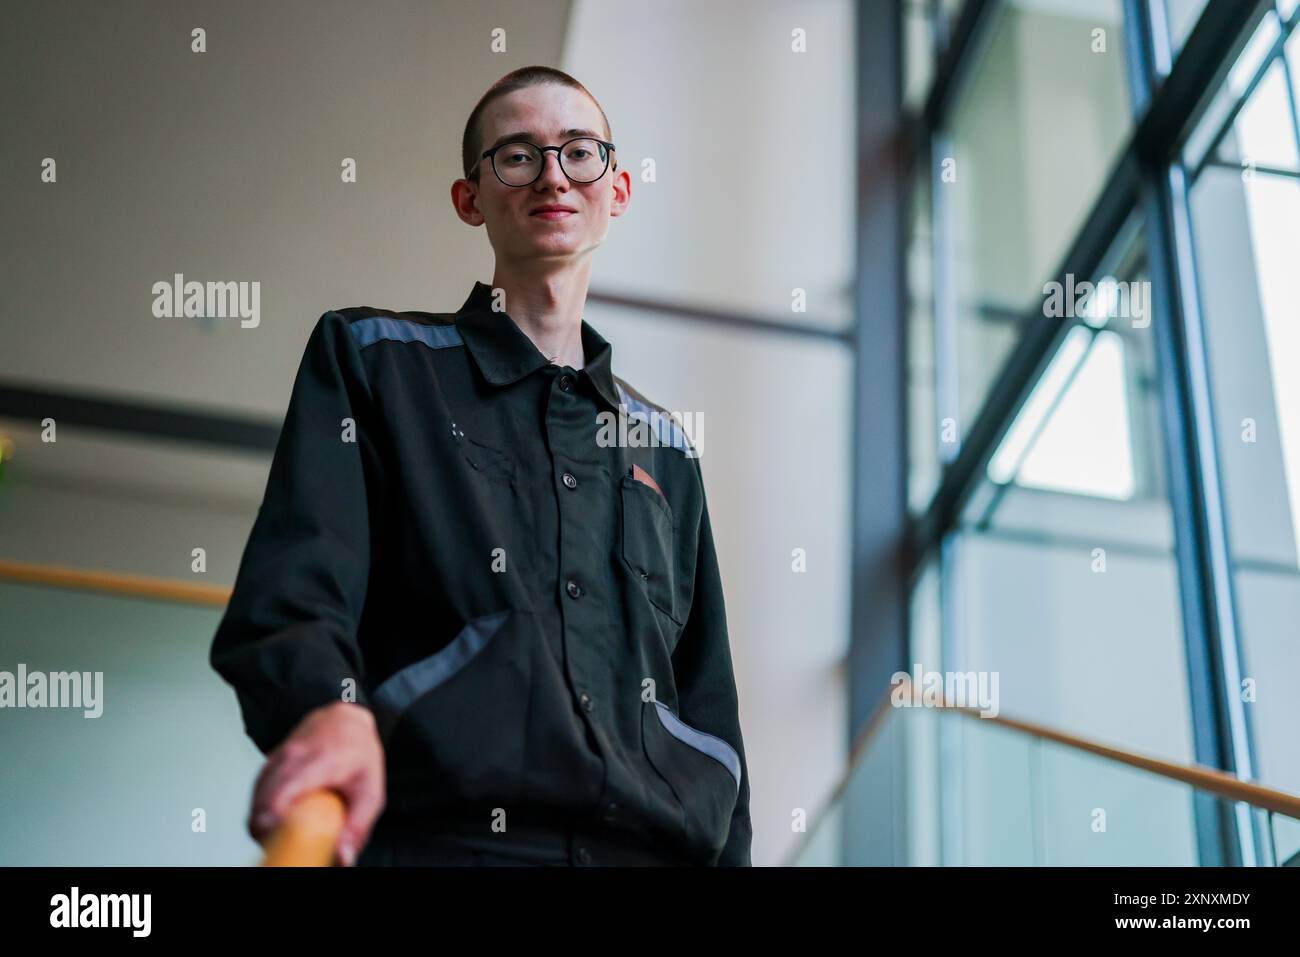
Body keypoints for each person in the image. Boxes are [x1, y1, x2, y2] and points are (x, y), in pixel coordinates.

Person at [209, 66, 752, 867]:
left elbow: (709, 703)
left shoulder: (665, 451)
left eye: (579, 152)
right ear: (471, 199)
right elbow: (295, 594)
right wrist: (326, 707)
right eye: (518, 155)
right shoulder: (376, 362)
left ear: (619, 188)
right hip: (442, 841)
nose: (553, 175)